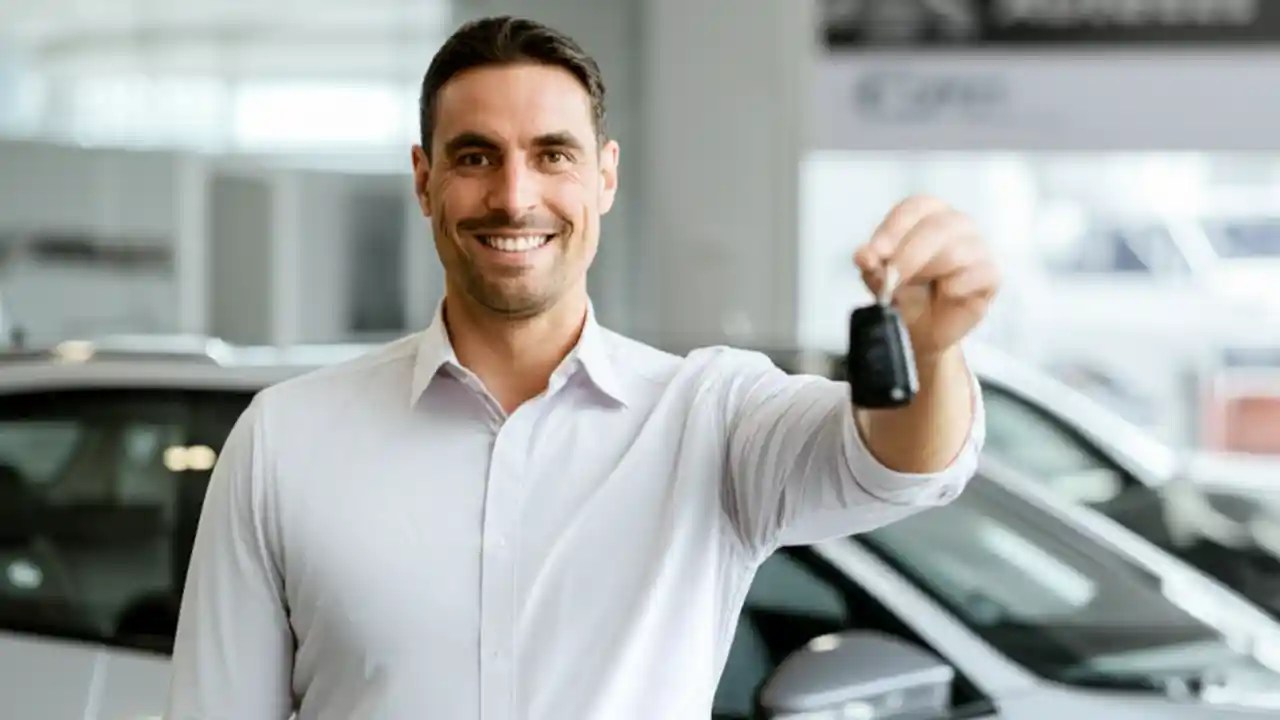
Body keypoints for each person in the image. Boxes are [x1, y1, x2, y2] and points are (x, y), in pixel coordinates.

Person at [165, 14, 999, 720]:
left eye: (553, 154)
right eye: (475, 156)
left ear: (604, 176)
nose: (514, 196)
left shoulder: (707, 418)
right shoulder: (285, 439)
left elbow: (899, 467)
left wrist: (933, 350)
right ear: (424, 182)